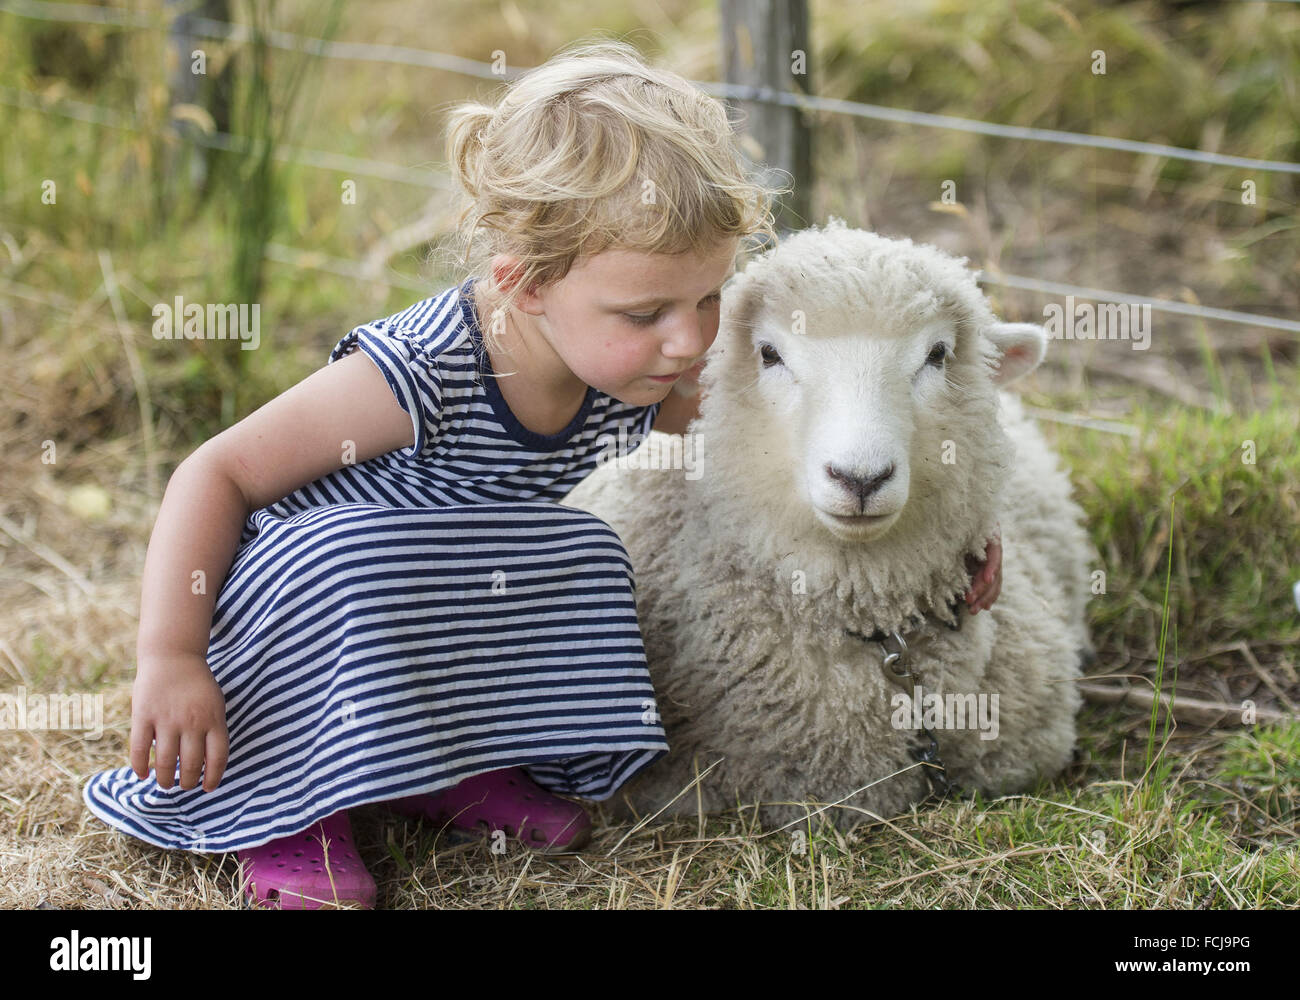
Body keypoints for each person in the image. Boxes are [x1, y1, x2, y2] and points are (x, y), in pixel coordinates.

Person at [82, 39, 1003, 910]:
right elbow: (216, 473)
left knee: (580, 551)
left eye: (709, 298)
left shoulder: (634, 368)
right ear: (525, 283)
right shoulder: (421, 372)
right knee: (360, 562)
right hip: (298, 613)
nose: (690, 340)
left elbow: (765, 440)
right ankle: (295, 813)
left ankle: (453, 761)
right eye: (646, 310)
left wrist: (954, 534)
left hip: (426, 588)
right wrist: (170, 659)